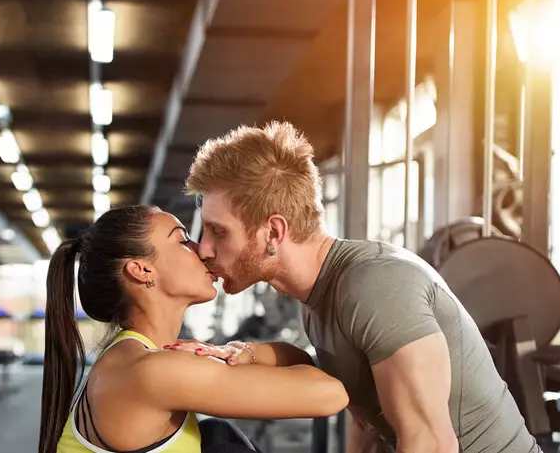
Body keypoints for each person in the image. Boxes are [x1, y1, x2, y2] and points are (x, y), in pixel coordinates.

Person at [175, 122, 540, 453]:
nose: (204, 248)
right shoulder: (318, 296)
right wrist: (247, 354)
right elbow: (369, 425)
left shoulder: (373, 286)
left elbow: (431, 442)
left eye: (219, 232)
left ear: (274, 232)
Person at [40, 205, 349, 453]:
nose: (201, 249)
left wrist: (240, 351)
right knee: (220, 438)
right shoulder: (152, 371)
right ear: (141, 269)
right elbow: (331, 395)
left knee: (217, 435)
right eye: (182, 238)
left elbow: (303, 363)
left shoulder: (135, 357)